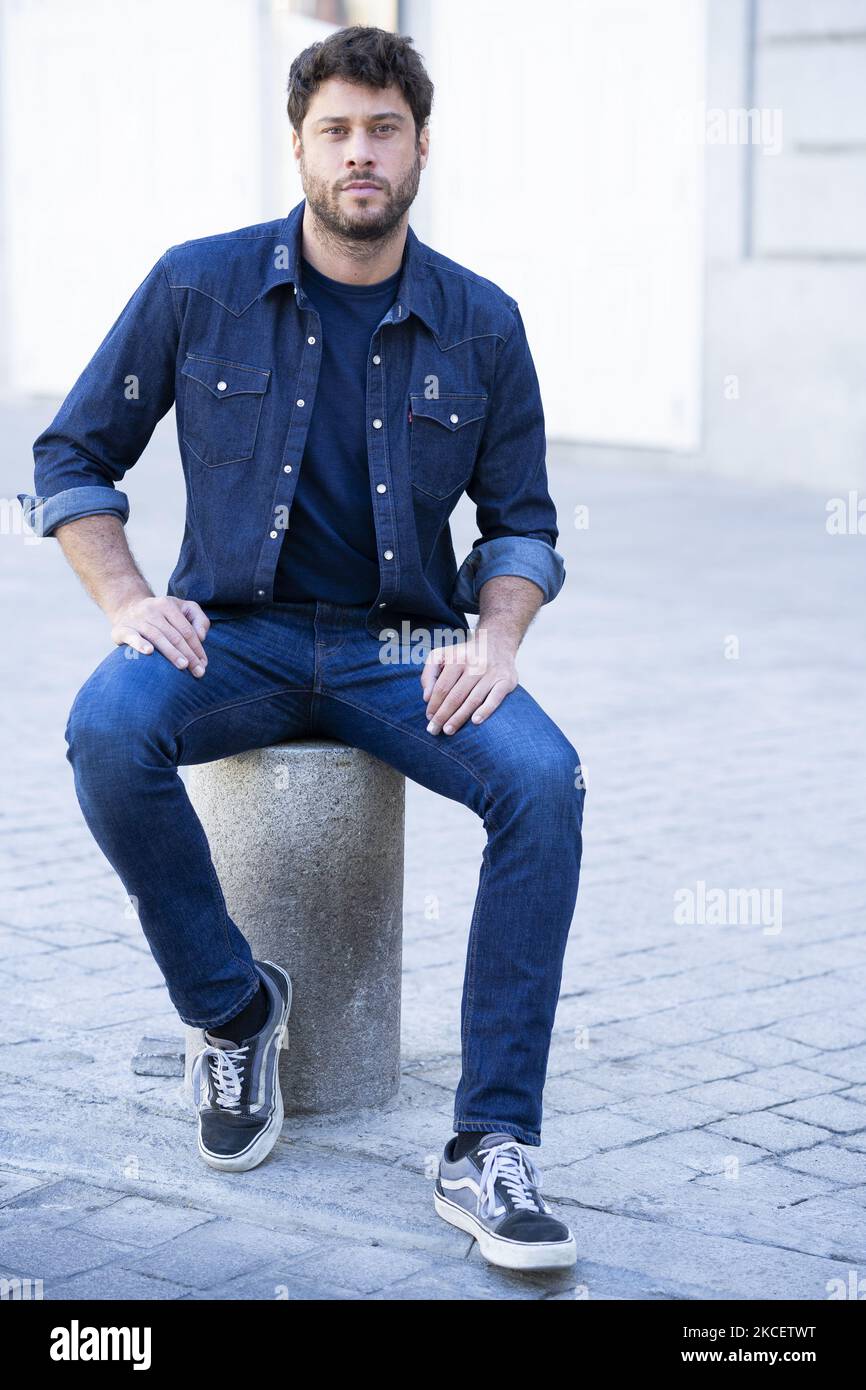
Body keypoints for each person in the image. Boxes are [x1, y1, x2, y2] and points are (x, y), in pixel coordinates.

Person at [19, 25, 585, 1273]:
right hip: (238, 637)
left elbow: (523, 522)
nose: (361, 153)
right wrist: (123, 600)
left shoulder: (480, 323)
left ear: (422, 147)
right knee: (106, 730)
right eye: (336, 129)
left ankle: (487, 1144)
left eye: (384, 129)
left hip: (408, 647)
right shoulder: (197, 285)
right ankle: (232, 1007)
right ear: (298, 146)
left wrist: (494, 638)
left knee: (544, 783)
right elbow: (69, 457)